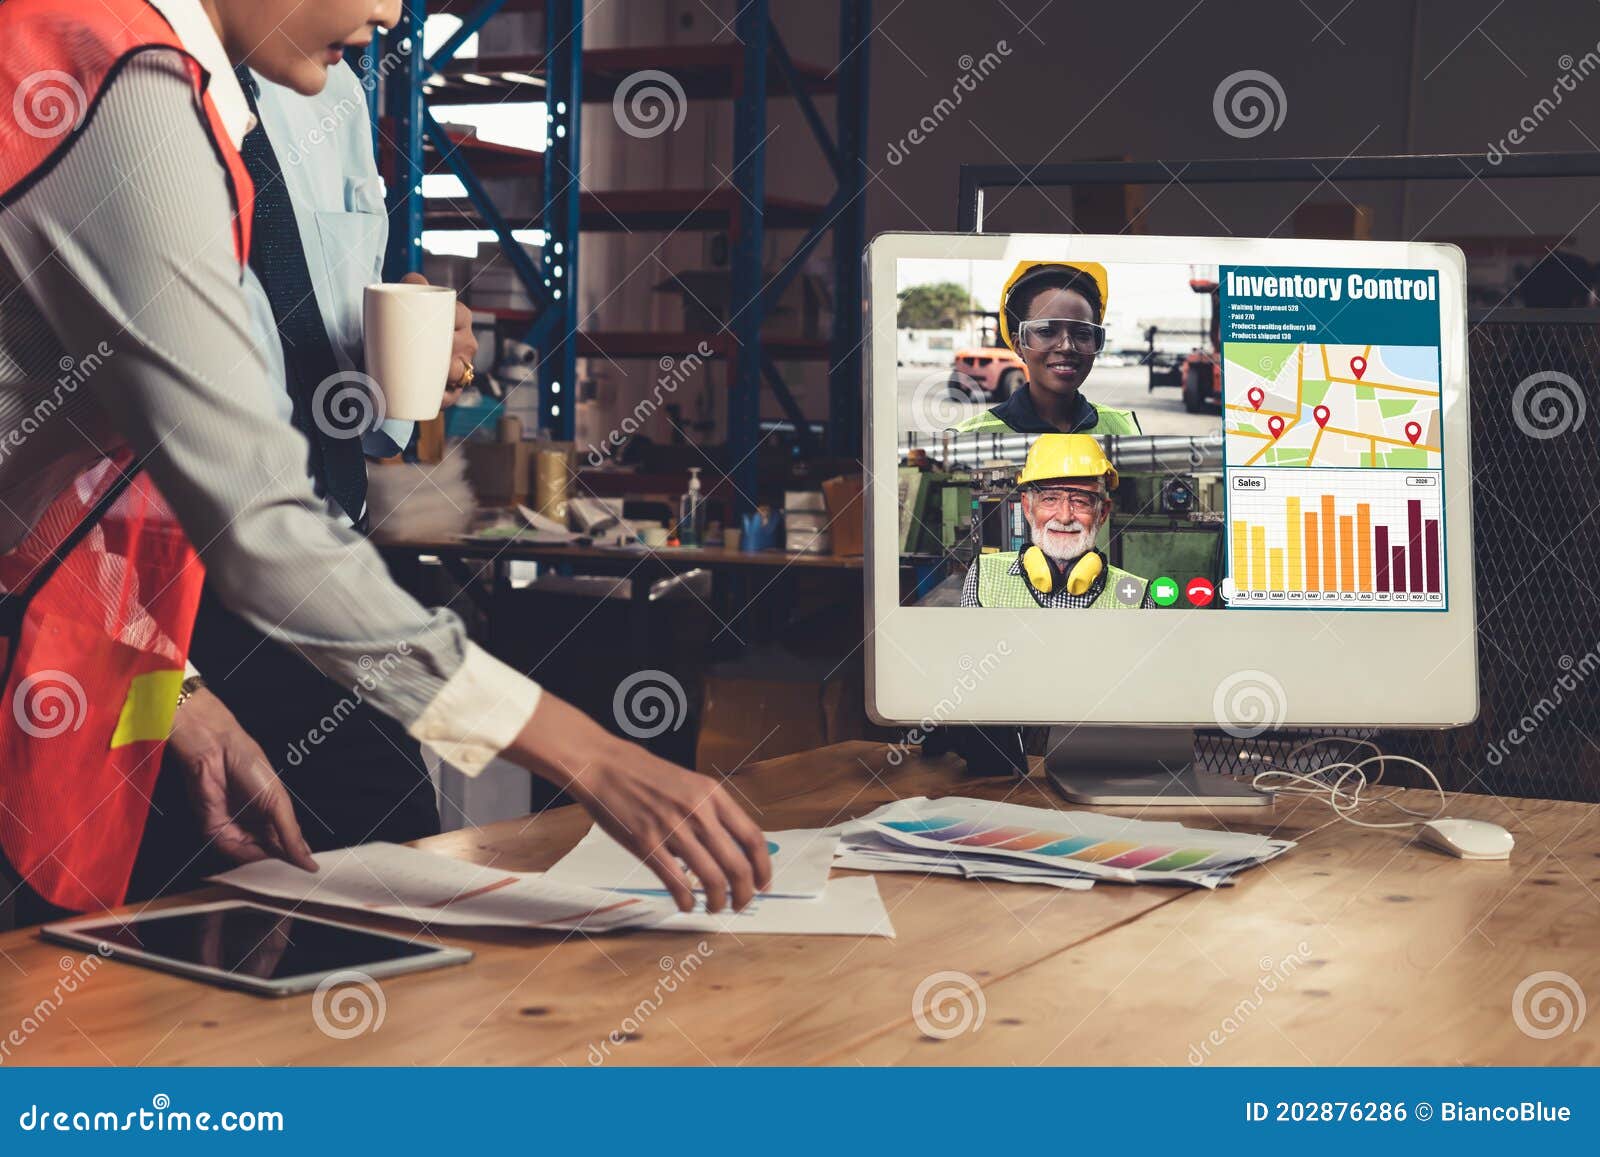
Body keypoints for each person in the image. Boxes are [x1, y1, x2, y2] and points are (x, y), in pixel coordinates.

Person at [0, 0, 769, 928]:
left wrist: (161, 676)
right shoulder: (122, 83)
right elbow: (253, 519)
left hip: (130, 601)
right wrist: (591, 755)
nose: (392, 11)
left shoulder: (179, 77)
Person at [131, 34, 484, 900]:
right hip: (141, 603)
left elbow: (357, 415)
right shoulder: (114, 93)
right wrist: (163, 688)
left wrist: (419, 356)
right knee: (141, 909)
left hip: (308, 574)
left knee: (396, 858)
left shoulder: (332, 95)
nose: (384, 19)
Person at [960, 434, 1152, 608]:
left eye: (1080, 501)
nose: (1065, 517)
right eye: (1050, 499)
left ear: (1102, 513)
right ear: (1027, 508)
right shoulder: (983, 577)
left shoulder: (1138, 598)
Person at [955, 261, 1142, 436]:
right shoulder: (969, 435)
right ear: (1019, 344)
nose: (1067, 347)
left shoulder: (1123, 427)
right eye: (1046, 331)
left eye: (1083, 334)